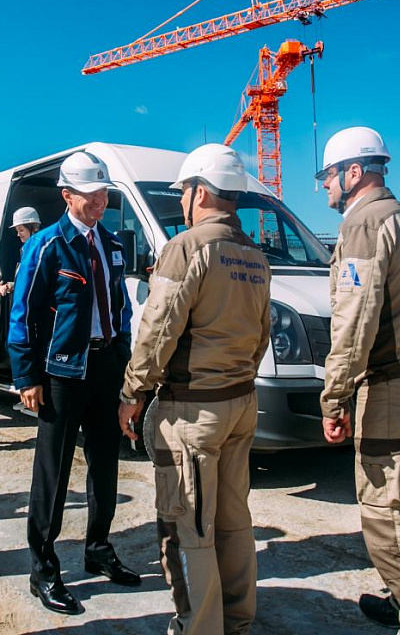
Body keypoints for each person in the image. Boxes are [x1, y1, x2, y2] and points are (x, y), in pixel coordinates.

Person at [117, 144, 271, 635]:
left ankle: (198, 626)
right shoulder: (255, 255)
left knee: (189, 526)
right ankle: (238, 619)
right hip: (240, 403)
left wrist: (133, 392)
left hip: (193, 411)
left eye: (183, 191)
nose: (182, 200)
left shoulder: (186, 247)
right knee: (233, 518)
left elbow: (158, 330)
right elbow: (262, 333)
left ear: (200, 192)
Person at [316, 126, 400, 634]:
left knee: (390, 516)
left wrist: (335, 396)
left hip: (396, 384)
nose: (324, 185)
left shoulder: (365, 224)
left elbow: (355, 322)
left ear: (353, 172)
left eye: (328, 175)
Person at [9, 151, 139, 616]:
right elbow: (22, 312)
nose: (99, 201)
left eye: (103, 193)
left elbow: (120, 306)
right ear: (66, 195)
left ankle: (98, 549)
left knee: (105, 464)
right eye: (90, 194)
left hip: (106, 368)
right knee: (54, 471)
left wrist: (124, 358)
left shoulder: (113, 244)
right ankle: (43, 569)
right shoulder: (46, 245)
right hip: (62, 374)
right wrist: (27, 374)